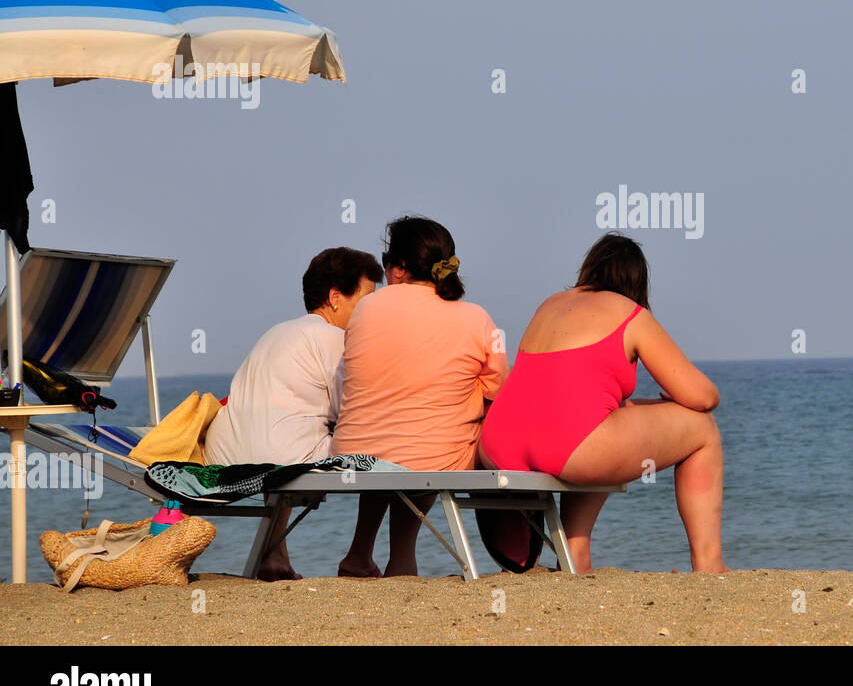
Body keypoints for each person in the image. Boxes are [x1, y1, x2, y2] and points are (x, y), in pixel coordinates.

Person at [479, 233, 726, 573]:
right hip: (571, 446)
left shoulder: (550, 303)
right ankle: (709, 563)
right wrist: (684, 402)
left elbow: (549, 391)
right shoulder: (631, 314)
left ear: (589, 269)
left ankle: (575, 557)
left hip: (498, 444)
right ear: (636, 282)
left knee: (602, 421)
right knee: (703, 428)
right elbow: (702, 397)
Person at [333, 216, 508, 577]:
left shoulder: (366, 308)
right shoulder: (476, 318)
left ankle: (360, 551)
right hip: (434, 455)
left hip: (354, 453)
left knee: (389, 440)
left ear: (397, 269)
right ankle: (401, 559)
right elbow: (500, 393)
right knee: (430, 432)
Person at [204, 246, 382, 580]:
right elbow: (352, 413)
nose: (372, 311)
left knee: (287, 433)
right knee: (380, 443)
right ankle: (361, 556)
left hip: (226, 455)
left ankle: (274, 555)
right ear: (335, 297)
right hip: (281, 460)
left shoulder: (276, 331)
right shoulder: (334, 338)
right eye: (367, 300)